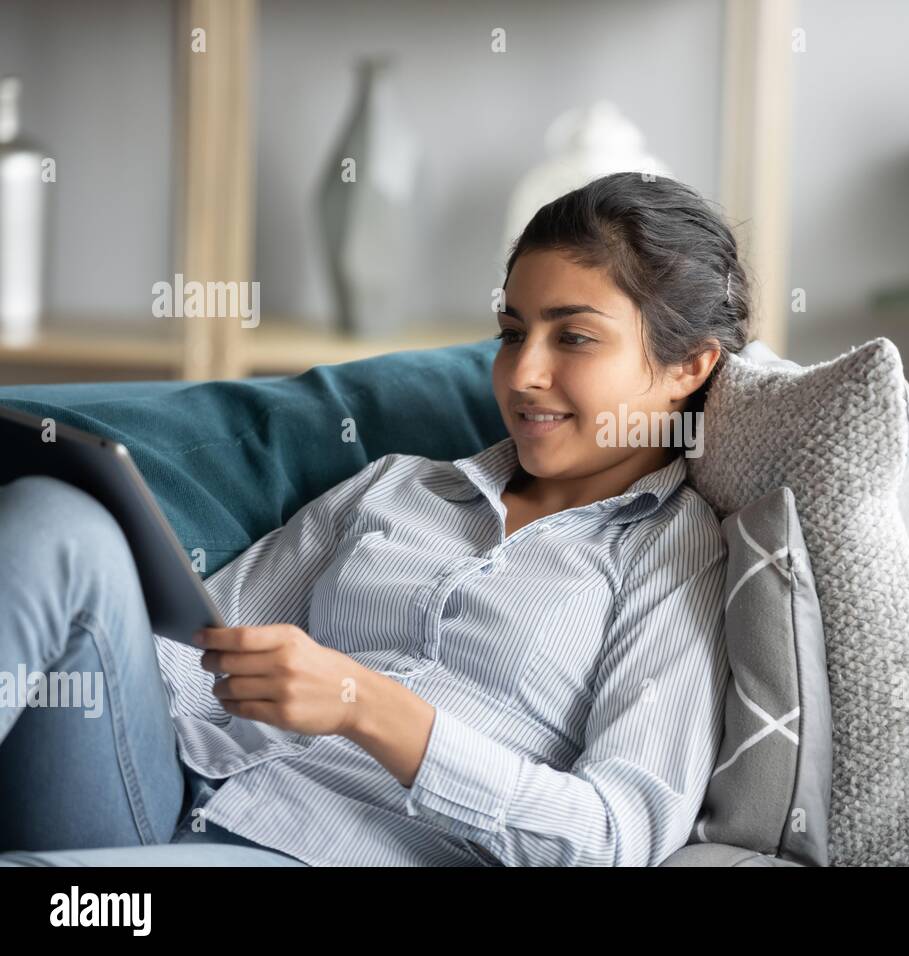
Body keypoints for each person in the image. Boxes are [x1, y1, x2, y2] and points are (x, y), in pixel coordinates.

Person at [0, 172, 753, 866]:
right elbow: (201, 654)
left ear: (690, 366)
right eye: (512, 332)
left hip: (320, 853)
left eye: (574, 337)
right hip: (163, 783)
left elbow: (614, 835)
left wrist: (372, 709)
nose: (524, 374)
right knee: (57, 520)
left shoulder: (675, 554)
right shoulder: (396, 488)